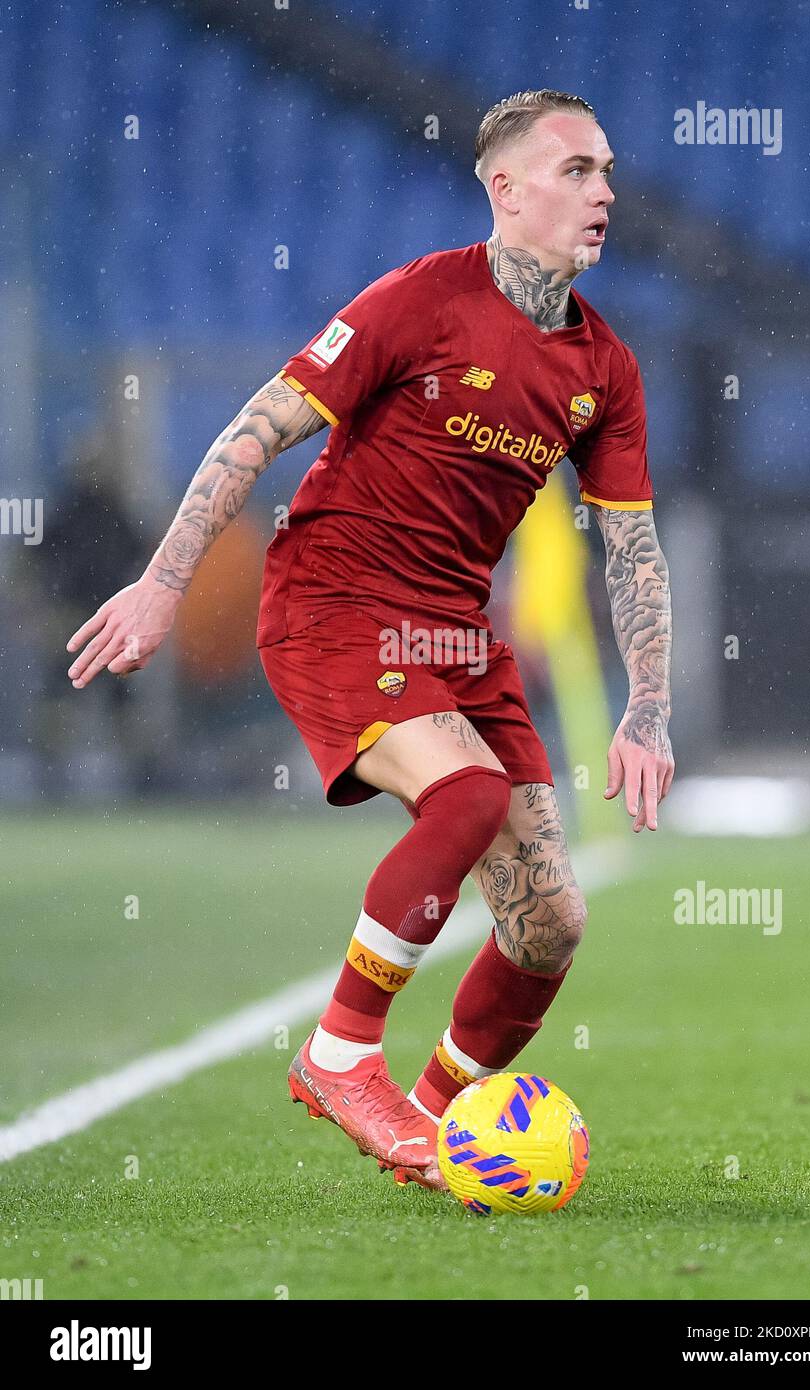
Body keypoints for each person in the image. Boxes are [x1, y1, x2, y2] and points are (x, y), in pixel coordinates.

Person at [66, 89, 675, 1194]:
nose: (606, 192)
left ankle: (438, 1129)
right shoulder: (419, 301)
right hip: (336, 602)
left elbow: (633, 550)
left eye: (609, 171)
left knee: (548, 928)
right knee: (470, 796)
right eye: (579, 170)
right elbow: (253, 429)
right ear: (506, 188)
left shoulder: (604, 371)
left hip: (457, 634)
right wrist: (163, 584)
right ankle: (340, 1054)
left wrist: (649, 707)